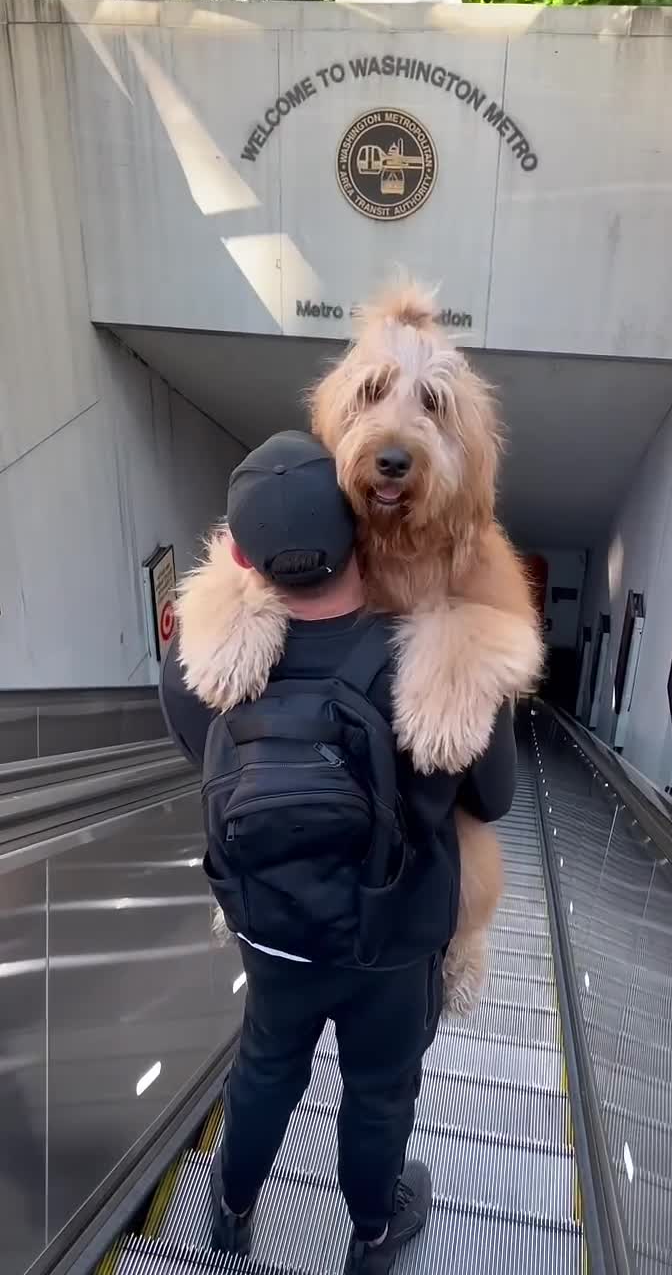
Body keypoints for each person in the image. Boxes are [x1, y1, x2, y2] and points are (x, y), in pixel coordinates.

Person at [161, 431, 517, 1275]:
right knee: (377, 1093)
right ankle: (371, 1233)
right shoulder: (437, 661)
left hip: (273, 926)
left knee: (266, 1065)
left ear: (241, 554)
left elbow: (200, 753)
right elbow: (494, 798)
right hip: (392, 941)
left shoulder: (200, 664)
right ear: (366, 529)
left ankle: (232, 1208)